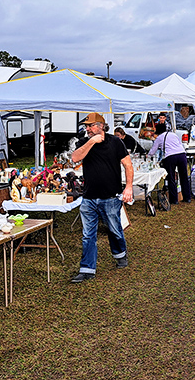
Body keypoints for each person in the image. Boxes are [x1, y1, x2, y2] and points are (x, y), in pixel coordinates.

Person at [70, 113, 134, 283]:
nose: (88, 129)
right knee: (88, 235)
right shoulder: (84, 142)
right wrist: (91, 141)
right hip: (89, 197)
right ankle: (87, 270)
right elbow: (75, 158)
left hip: (111, 197)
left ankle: (120, 254)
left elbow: (128, 165)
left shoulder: (115, 142)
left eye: (91, 126)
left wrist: (128, 187)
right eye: (87, 126)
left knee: (114, 229)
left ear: (101, 126)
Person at [148, 130, 191, 205]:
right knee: (184, 176)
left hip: (170, 156)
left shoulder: (159, 138)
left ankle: (174, 200)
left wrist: (147, 156)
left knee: (171, 178)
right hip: (182, 154)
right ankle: (187, 197)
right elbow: (180, 144)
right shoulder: (173, 134)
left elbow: (153, 151)